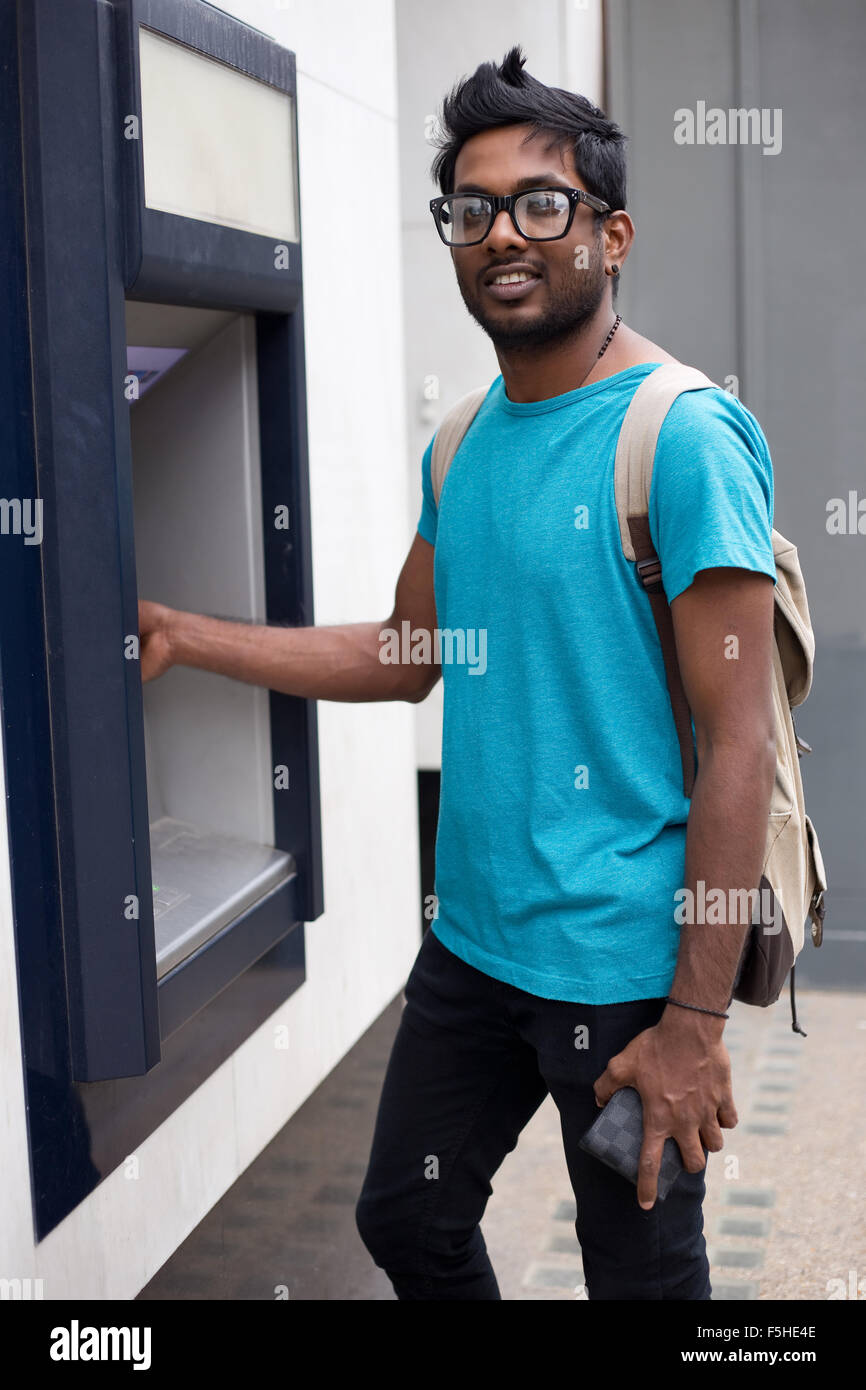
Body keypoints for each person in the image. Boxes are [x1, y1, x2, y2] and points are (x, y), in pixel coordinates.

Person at [138, 45, 778, 1300]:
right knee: (405, 1223)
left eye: (541, 204)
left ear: (612, 232)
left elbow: (740, 740)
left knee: (642, 1285)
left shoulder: (682, 436)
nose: (502, 235)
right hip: (473, 950)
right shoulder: (461, 441)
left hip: (622, 969)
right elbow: (407, 651)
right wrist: (188, 633)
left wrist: (694, 1029)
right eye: (470, 209)